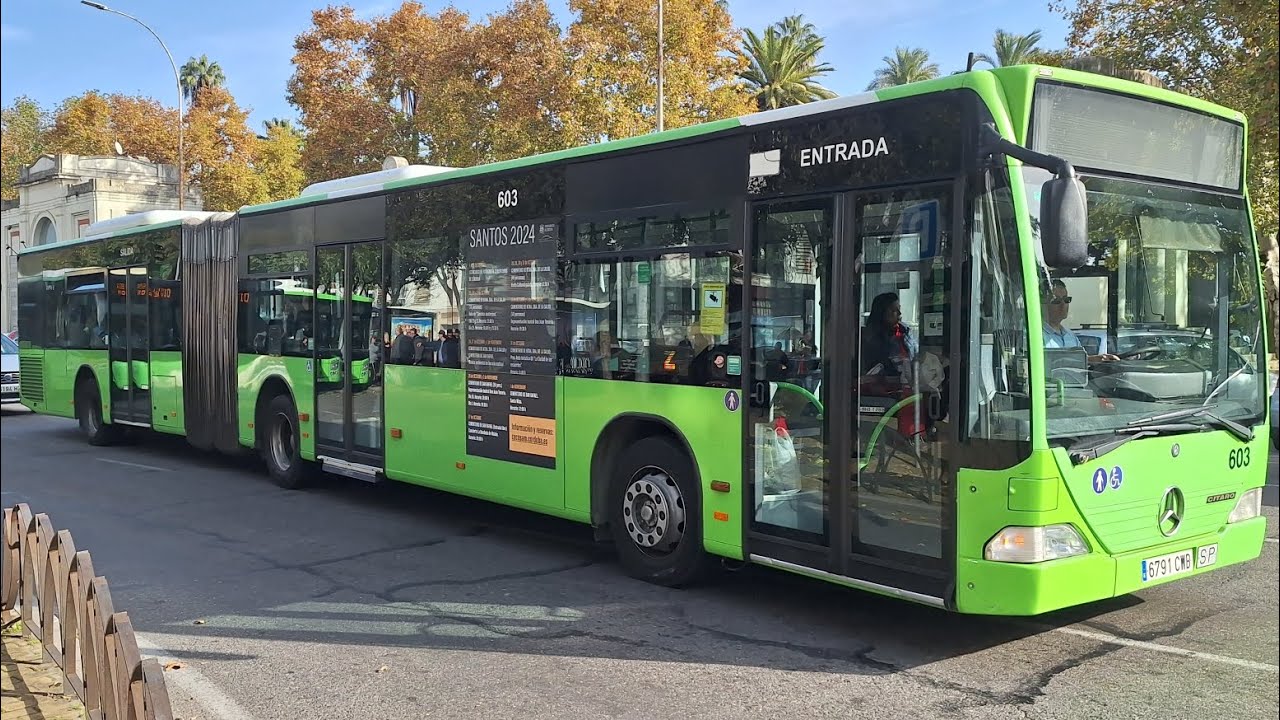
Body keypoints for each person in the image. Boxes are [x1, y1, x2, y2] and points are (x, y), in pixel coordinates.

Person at [1042, 278, 1118, 363]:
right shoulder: (1036, 336)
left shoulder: (1070, 336)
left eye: (1066, 300)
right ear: (1042, 304)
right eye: (1056, 301)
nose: (1063, 305)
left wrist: (1096, 360)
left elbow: (1079, 363)